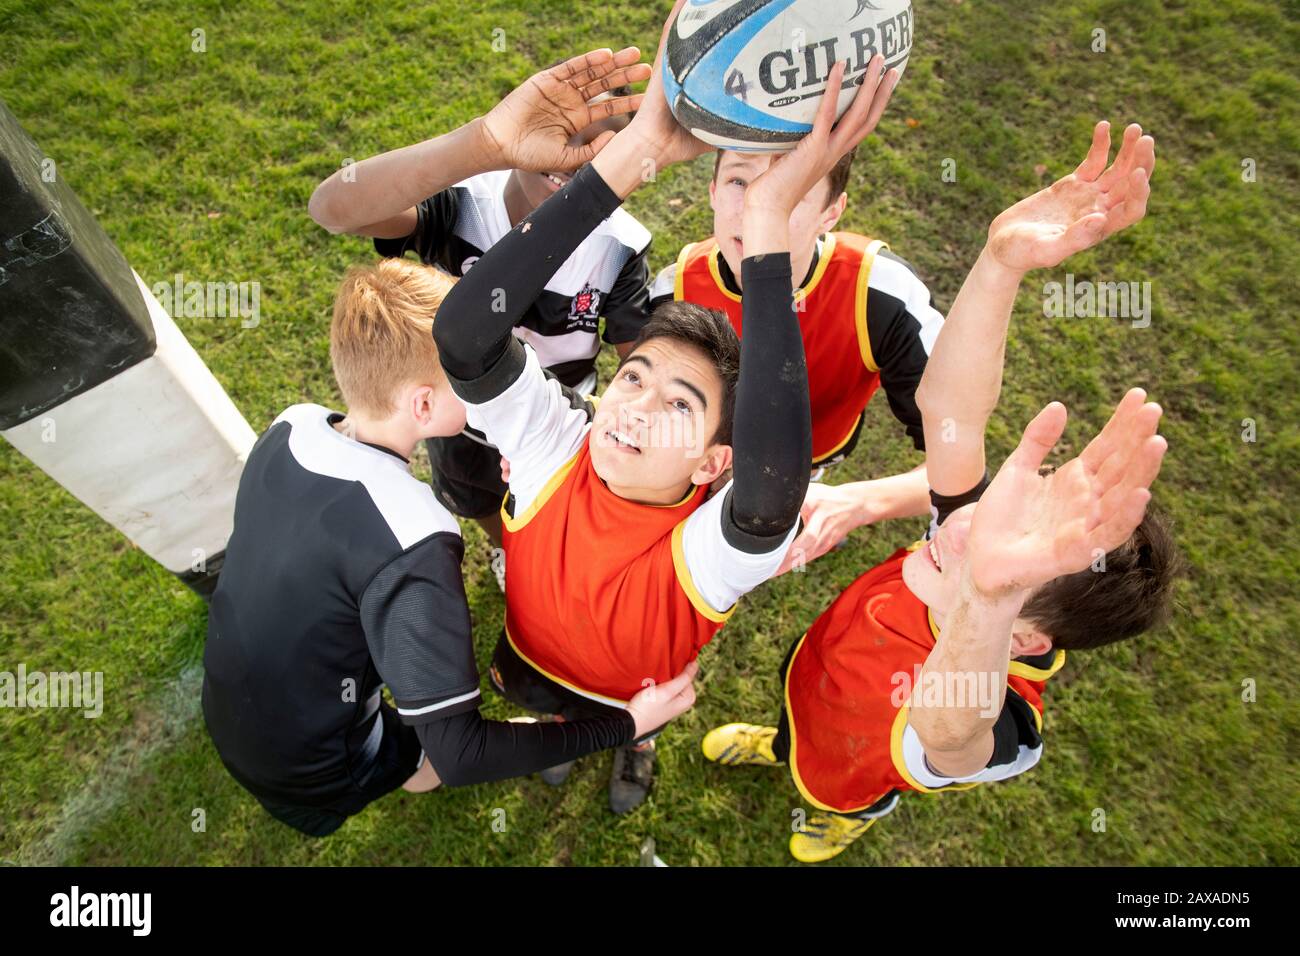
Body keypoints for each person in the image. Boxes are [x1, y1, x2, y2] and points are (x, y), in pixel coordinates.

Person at [430, 23, 900, 813]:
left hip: (635, 686)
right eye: (634, 377)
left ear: (714, 463)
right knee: (549, 709)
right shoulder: (559, 447)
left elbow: (769, 498)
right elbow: (465, 336)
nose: (636, 406)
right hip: (531, 657)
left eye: (681, 406)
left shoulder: (705, 554)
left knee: (633, 718)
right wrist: (636, 147)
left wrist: (769, 241)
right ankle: (569, 733)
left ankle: (631, 743)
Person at [703, 121, 1179, 862]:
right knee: (798, 722)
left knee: (827, 783)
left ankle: (837, 817)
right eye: (1001, 514)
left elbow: (948, 735)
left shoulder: (1008, 721)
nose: (958, 527)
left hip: (854, 765)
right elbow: (950, 413)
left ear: (1021, 637)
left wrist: (984, 599)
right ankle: (779, 742)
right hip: (818, 673)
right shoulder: (971, 538)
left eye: (994, 565)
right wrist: (999, 264)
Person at [201, 256, 696, 837]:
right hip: (316, 765)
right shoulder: (414, 535)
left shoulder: (292, 425)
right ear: (424, 406)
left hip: (229, 703)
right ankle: (404, 763)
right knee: (427, 765)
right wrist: (623, 723)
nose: (488, 379)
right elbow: (464, 753)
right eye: (470, 373)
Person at [308, 61, 656, 573]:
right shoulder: (465, 204)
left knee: (554, 514)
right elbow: (333, 209)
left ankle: (537, 554)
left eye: (601, 148)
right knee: (475, 496)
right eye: (566, 133)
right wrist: (486, 142)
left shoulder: (619, 247)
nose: (575, 155)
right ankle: (505, 550)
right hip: (460, 420)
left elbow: (640, 356)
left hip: (552, 420)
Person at [651, 141, 946, 572]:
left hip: (817, 450)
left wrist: (858, 501)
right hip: (701, 457)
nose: (758, 208)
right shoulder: (673, 290)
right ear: (713, 189)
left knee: (786, 499)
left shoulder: (881, 292)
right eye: (739, 180)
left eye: (789, 191)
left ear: (832, 211)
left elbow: (957, 451)